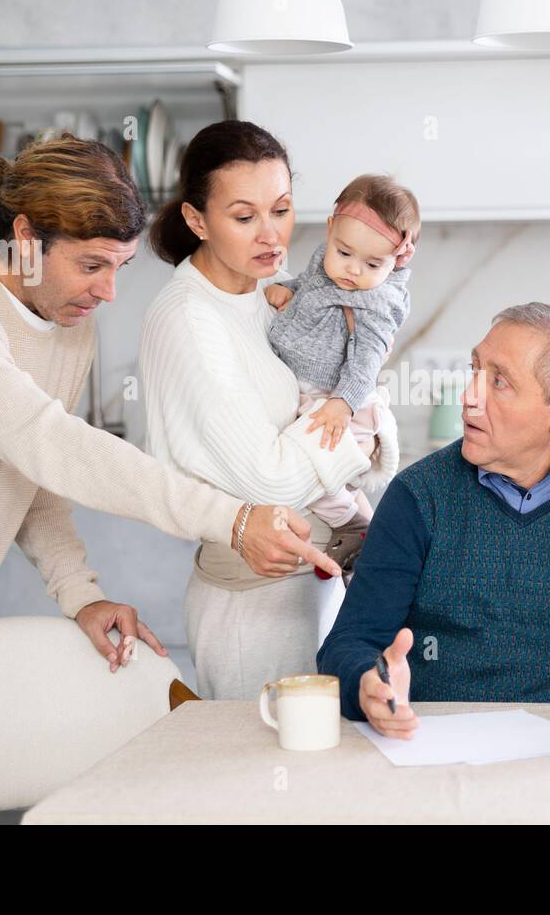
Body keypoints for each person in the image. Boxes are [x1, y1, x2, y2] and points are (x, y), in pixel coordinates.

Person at [0, 134, 339, 803]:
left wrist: (79, 591)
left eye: (120, 268)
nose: (106, 292)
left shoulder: (67, 323)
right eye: (91, 266)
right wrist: (234, 517)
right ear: (25, 236)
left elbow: (31, 475)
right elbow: (57, 445)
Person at [318, 303, 550, 747]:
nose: (469, 395)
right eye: (474, 369)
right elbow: (349, 644)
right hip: (434, 745)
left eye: (499, 381)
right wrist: (366, 685)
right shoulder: (418, 495)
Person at [141, 121, 391, 700]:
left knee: (319, 772)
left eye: (280, 209)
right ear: (197, 220)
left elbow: (356, 377)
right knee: (263, 778)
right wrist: (358, 434)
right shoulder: (188, 320)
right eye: (244, 216)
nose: (271, 235)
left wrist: (353, 423)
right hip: (252, 603)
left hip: (315, 584)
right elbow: (268, 479)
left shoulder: (272, 289)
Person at [264, 172, 418, 572]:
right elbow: (316, 286)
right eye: (345, 252)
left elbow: (366, 362)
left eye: (373, 263)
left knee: (309, 472)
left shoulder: (378, 302)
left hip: (339, 398)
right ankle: (357, 544)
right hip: (314, 390)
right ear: (331, 229)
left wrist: (341, 404)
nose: (353, 270)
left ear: (398, 259)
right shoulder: (328, 261)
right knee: (325, 475)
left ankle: (352, 526)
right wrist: (292, 290)